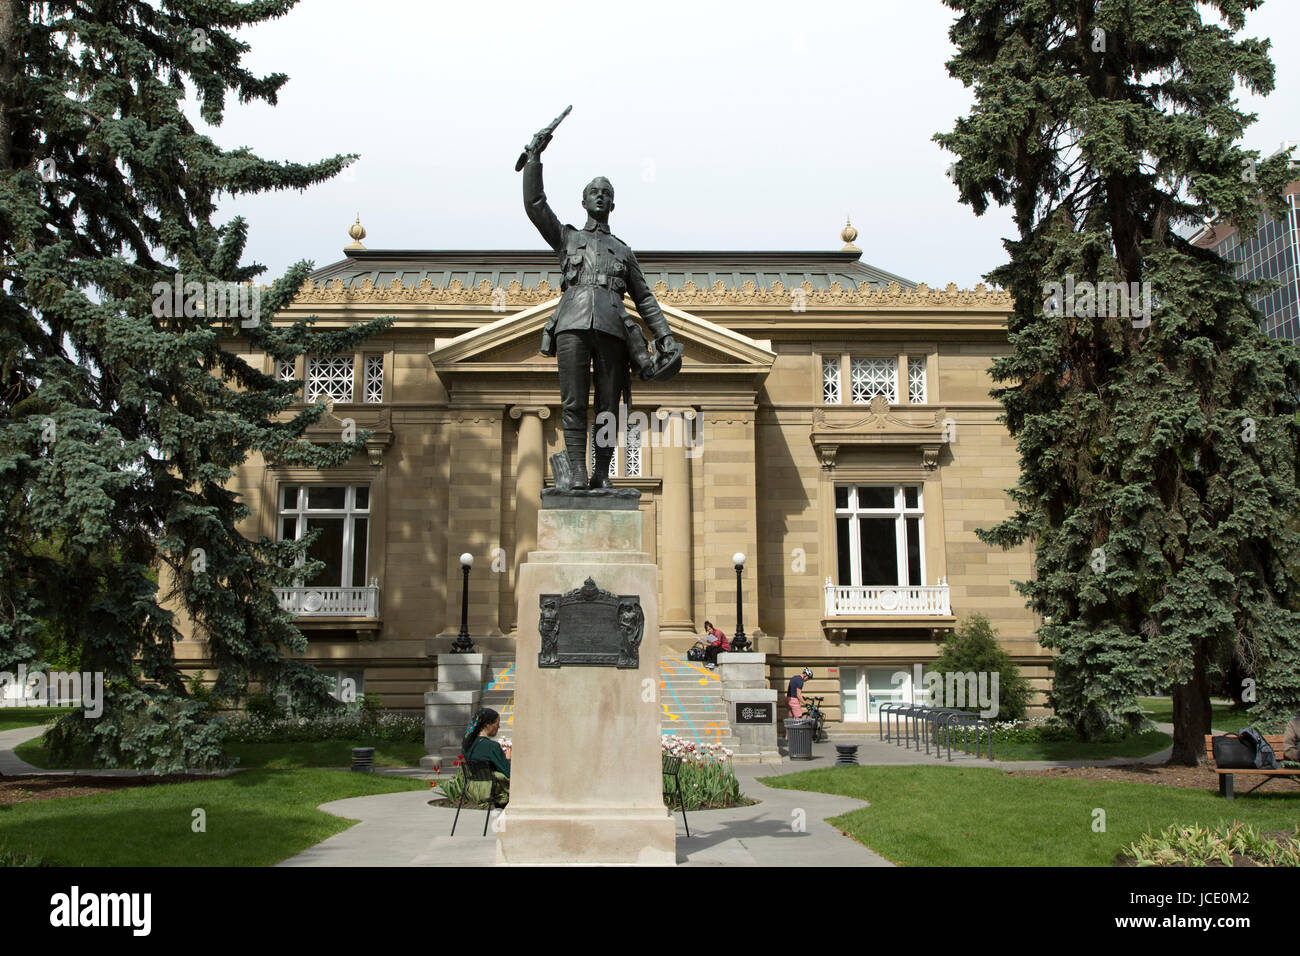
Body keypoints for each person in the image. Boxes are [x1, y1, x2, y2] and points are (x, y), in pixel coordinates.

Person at [521, 132, 680, 490]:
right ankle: (578, 472)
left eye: (607, 193)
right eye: (595, 191)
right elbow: (535, 204)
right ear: (583, 201)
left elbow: (645, 299)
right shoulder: (567, 238)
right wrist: (534, 160)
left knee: (608, 407)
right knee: (573, 402)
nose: (601, 196)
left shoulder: (623, 251)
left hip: (613, 329)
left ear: (612, 205)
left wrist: (666, 337)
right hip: (572, 325)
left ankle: (601, 473)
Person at [461, 707, 510, 807]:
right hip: (491, 790)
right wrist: (508, 756)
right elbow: (508, 772)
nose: (499, 727)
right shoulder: (492, 747)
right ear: (488, 725)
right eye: (497, 723)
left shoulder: (466, 746)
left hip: (471, 789)